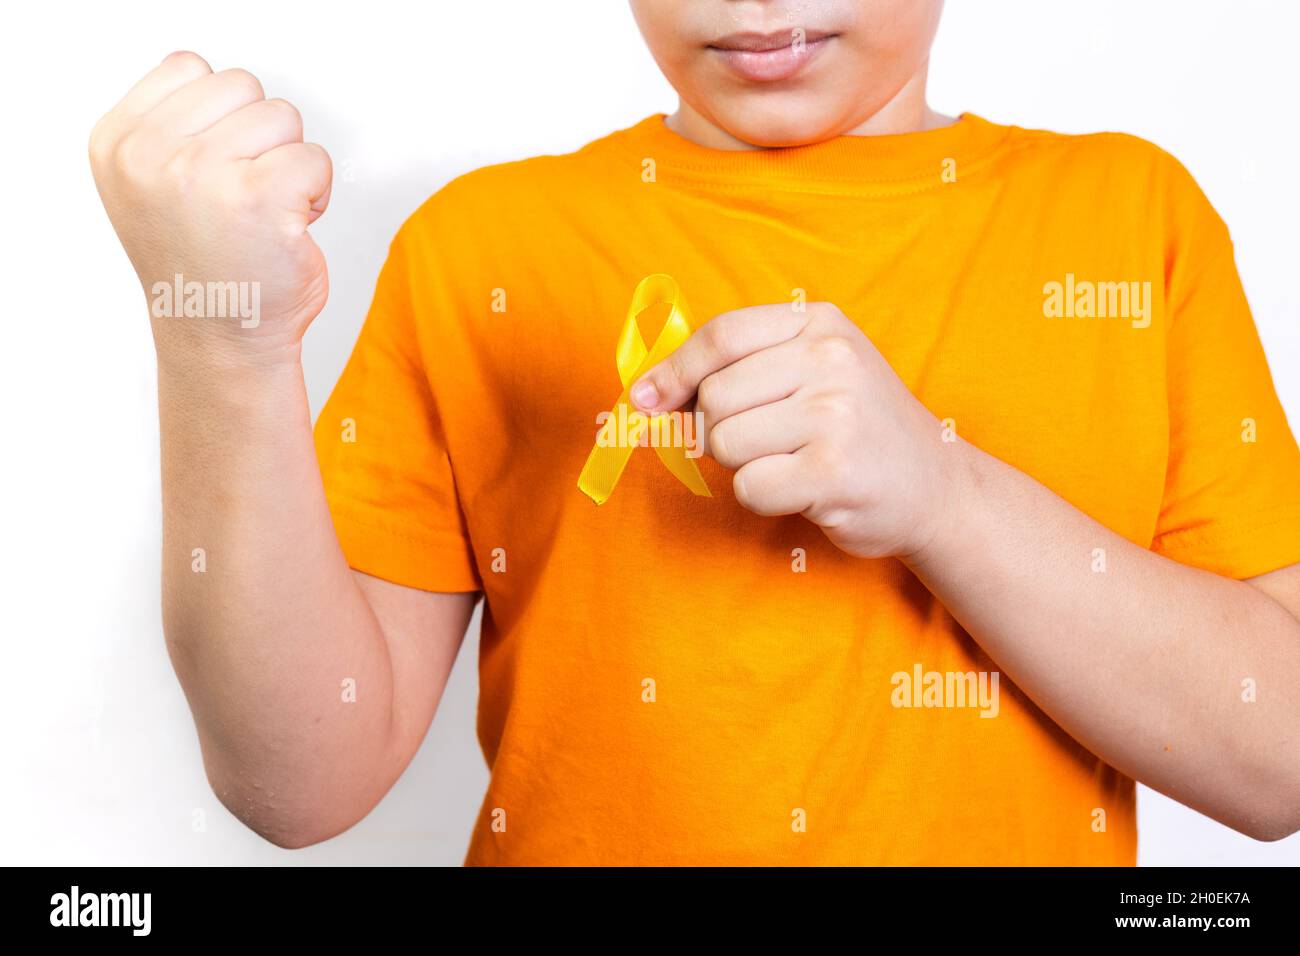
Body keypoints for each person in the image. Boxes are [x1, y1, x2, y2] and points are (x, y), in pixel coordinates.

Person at [88, 0, 1300, 865]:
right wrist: (222, 350)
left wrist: (941, 493)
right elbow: (294, 785)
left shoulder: (1131, 223)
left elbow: (1278, 757)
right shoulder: (478, 249)